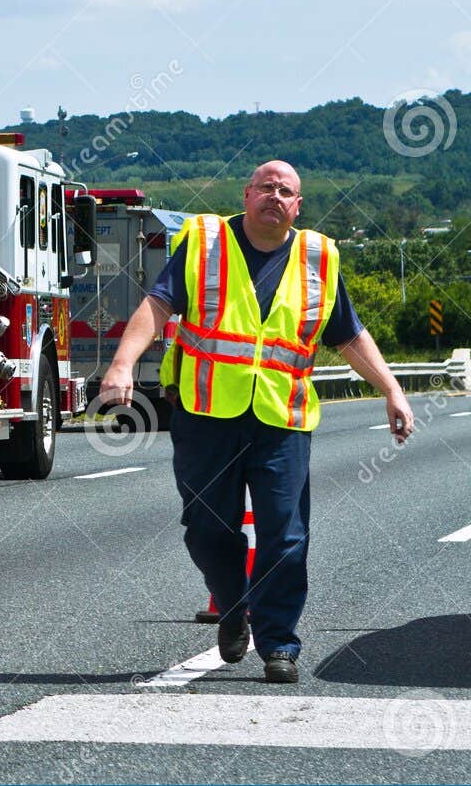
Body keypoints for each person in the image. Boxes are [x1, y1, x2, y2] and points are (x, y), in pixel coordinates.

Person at [101, 161, 413, 684]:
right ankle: (231, 604)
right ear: (246, 195)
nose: (274, 195)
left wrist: (393, 390)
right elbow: (157, 306)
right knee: (206, 530)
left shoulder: (318, 257)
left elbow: (349, 334)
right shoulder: (204, 242)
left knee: (285, 534)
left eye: (284, 190)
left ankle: (279, 644)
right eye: (265, 187)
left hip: (281, 418)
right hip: (207, 415)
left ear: (298, 206)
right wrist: (122, 363)